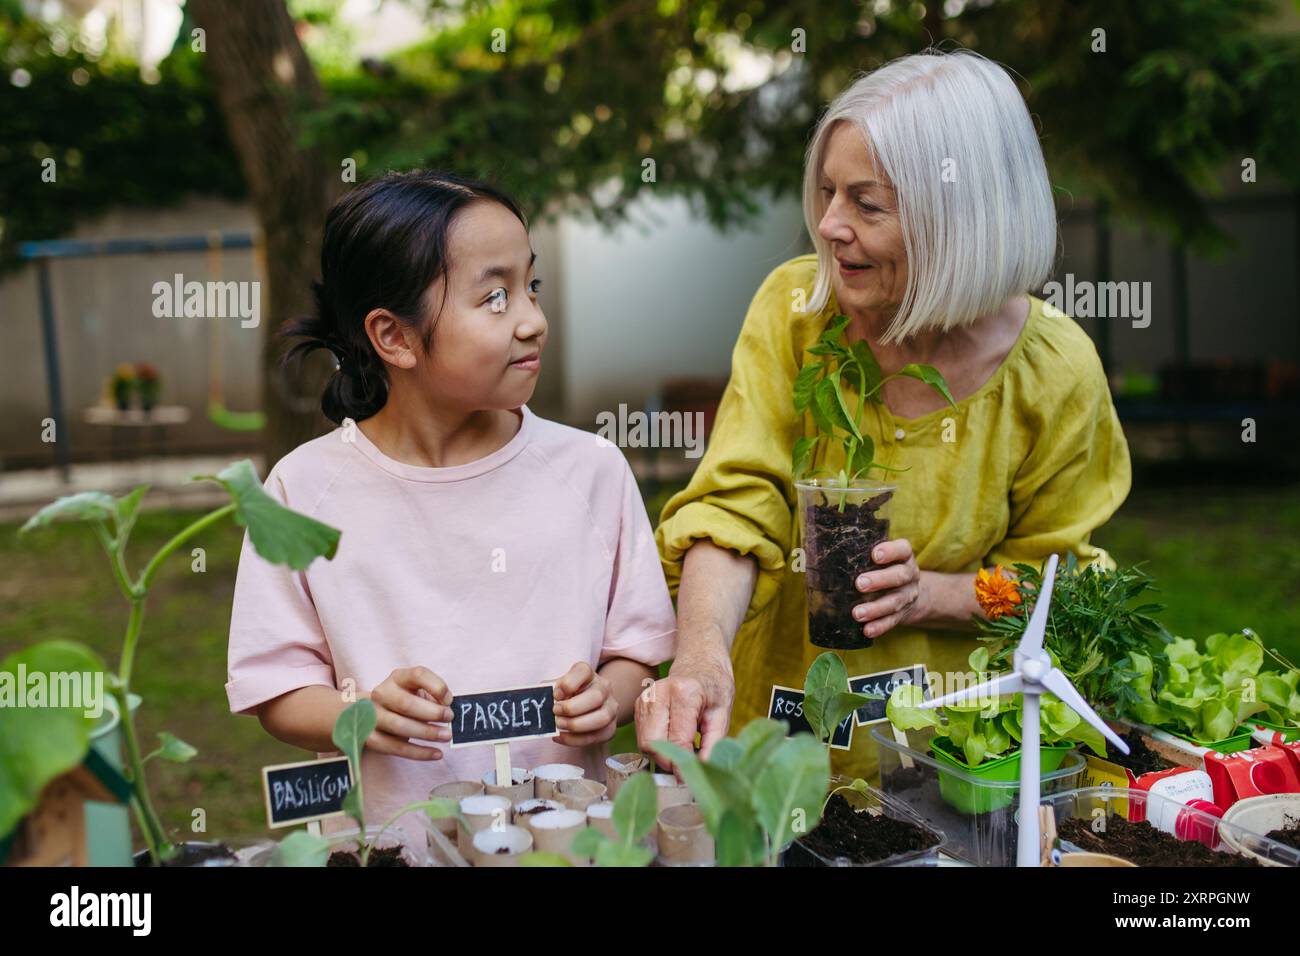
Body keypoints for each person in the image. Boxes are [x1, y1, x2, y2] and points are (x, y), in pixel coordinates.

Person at [642, 50, 1131, 781]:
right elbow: (737, 507)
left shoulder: (1054, 369)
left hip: (956, 759)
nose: (830, 225)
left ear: (959, 219)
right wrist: (703, 653)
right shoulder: (796, 311)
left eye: (866, 204)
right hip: (781, 741)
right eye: (828, 192)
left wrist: (932, 595)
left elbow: (1067, 590)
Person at [226, 170, 676, 838]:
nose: (534, 320)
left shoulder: (593, 472)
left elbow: (636, 647)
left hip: (567, 843)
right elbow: (277, 686)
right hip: (389, 844)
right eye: (495, 296)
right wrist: (358, 715)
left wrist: (608, 698)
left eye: (532, 286)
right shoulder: (300, 492)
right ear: (395, 337)